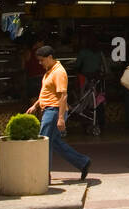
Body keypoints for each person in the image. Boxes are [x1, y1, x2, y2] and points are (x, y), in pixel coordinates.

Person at [26, 46, 90, 182]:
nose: (40, 63)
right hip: (50, 110)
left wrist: (61, 118)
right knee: (53, 142)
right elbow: (46, 92)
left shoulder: (59, 72)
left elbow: (63, 96)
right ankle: (82, 162)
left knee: (44, 142)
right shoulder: (50, 71)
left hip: (54, 111)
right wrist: (35, 105)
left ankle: (44, 175)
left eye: (42, 60)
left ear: (49, 58)